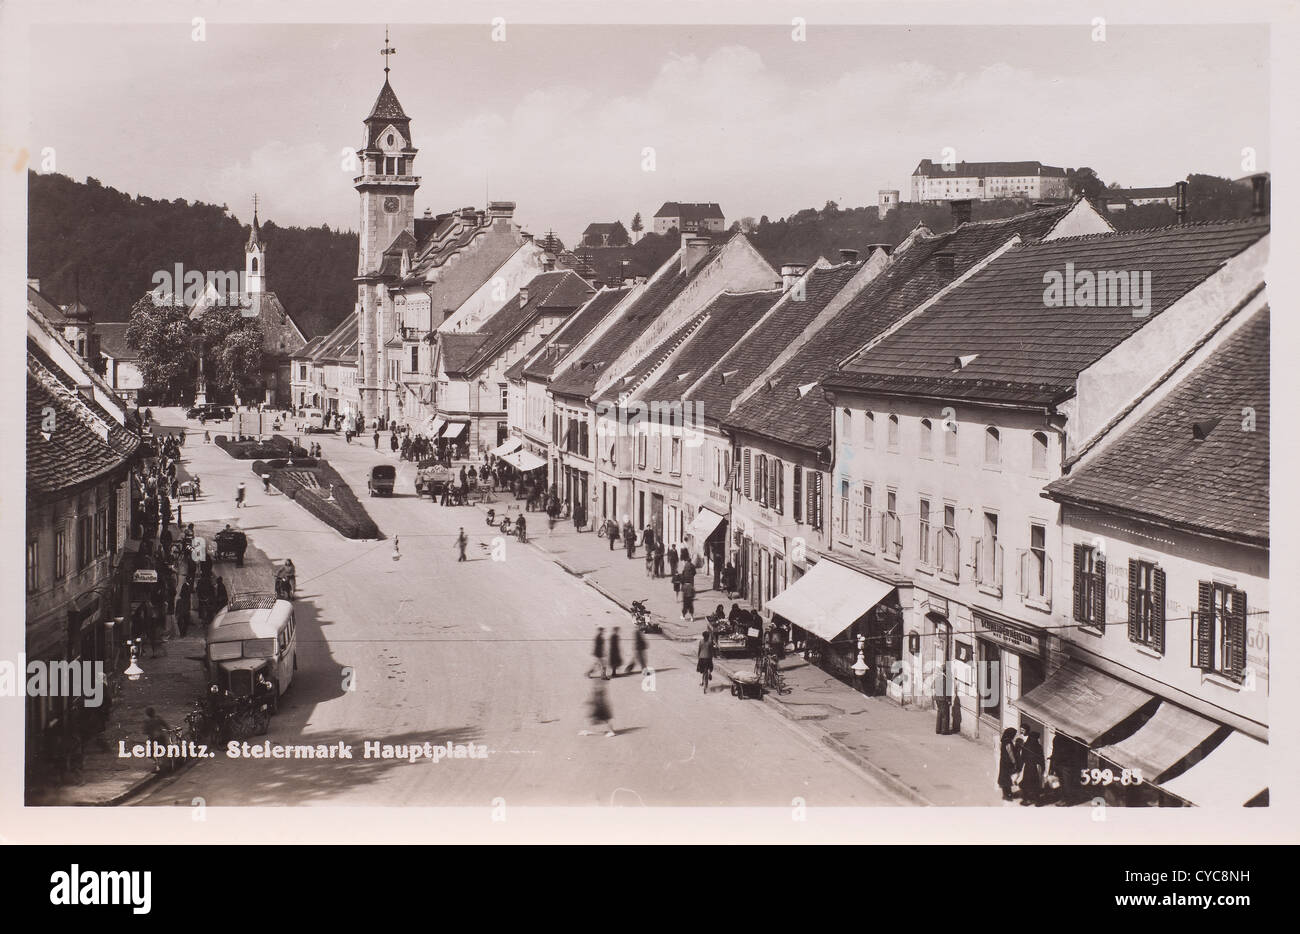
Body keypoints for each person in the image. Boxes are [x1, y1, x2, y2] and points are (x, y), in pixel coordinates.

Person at [1019, 731, 1045, 806]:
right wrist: (1043, 767)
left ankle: (1027, 800)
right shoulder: (1038, 746)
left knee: (1027, 783)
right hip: (1036, 768)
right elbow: (1041, 758)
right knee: (1035, 783)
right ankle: (1037, 800)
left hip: (1028, 767)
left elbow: (1022, 757)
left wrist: (1020, 767)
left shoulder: (1026, 745)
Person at [997, 728, 1020, 801]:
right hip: (1007, 763)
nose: (1014, 736)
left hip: (1003, 761)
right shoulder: (1008, 742)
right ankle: (1007, 795)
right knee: (1007, 779)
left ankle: (1007, 794)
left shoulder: (1004, 740)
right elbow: (1010, 753)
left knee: (1005, 778)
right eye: (1013, 735)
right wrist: (1014, 762)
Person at [696, 627, 714, 693]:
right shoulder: (710, 642)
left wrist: (698, 657)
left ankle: (702, 681)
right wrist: (712, 657)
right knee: (708, 667)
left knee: (703, 671)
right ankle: (709, 673)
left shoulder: (701, 641)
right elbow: (712, 651)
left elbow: (699, 650)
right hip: (708, 658)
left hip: (702, 658)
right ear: (708, 636)